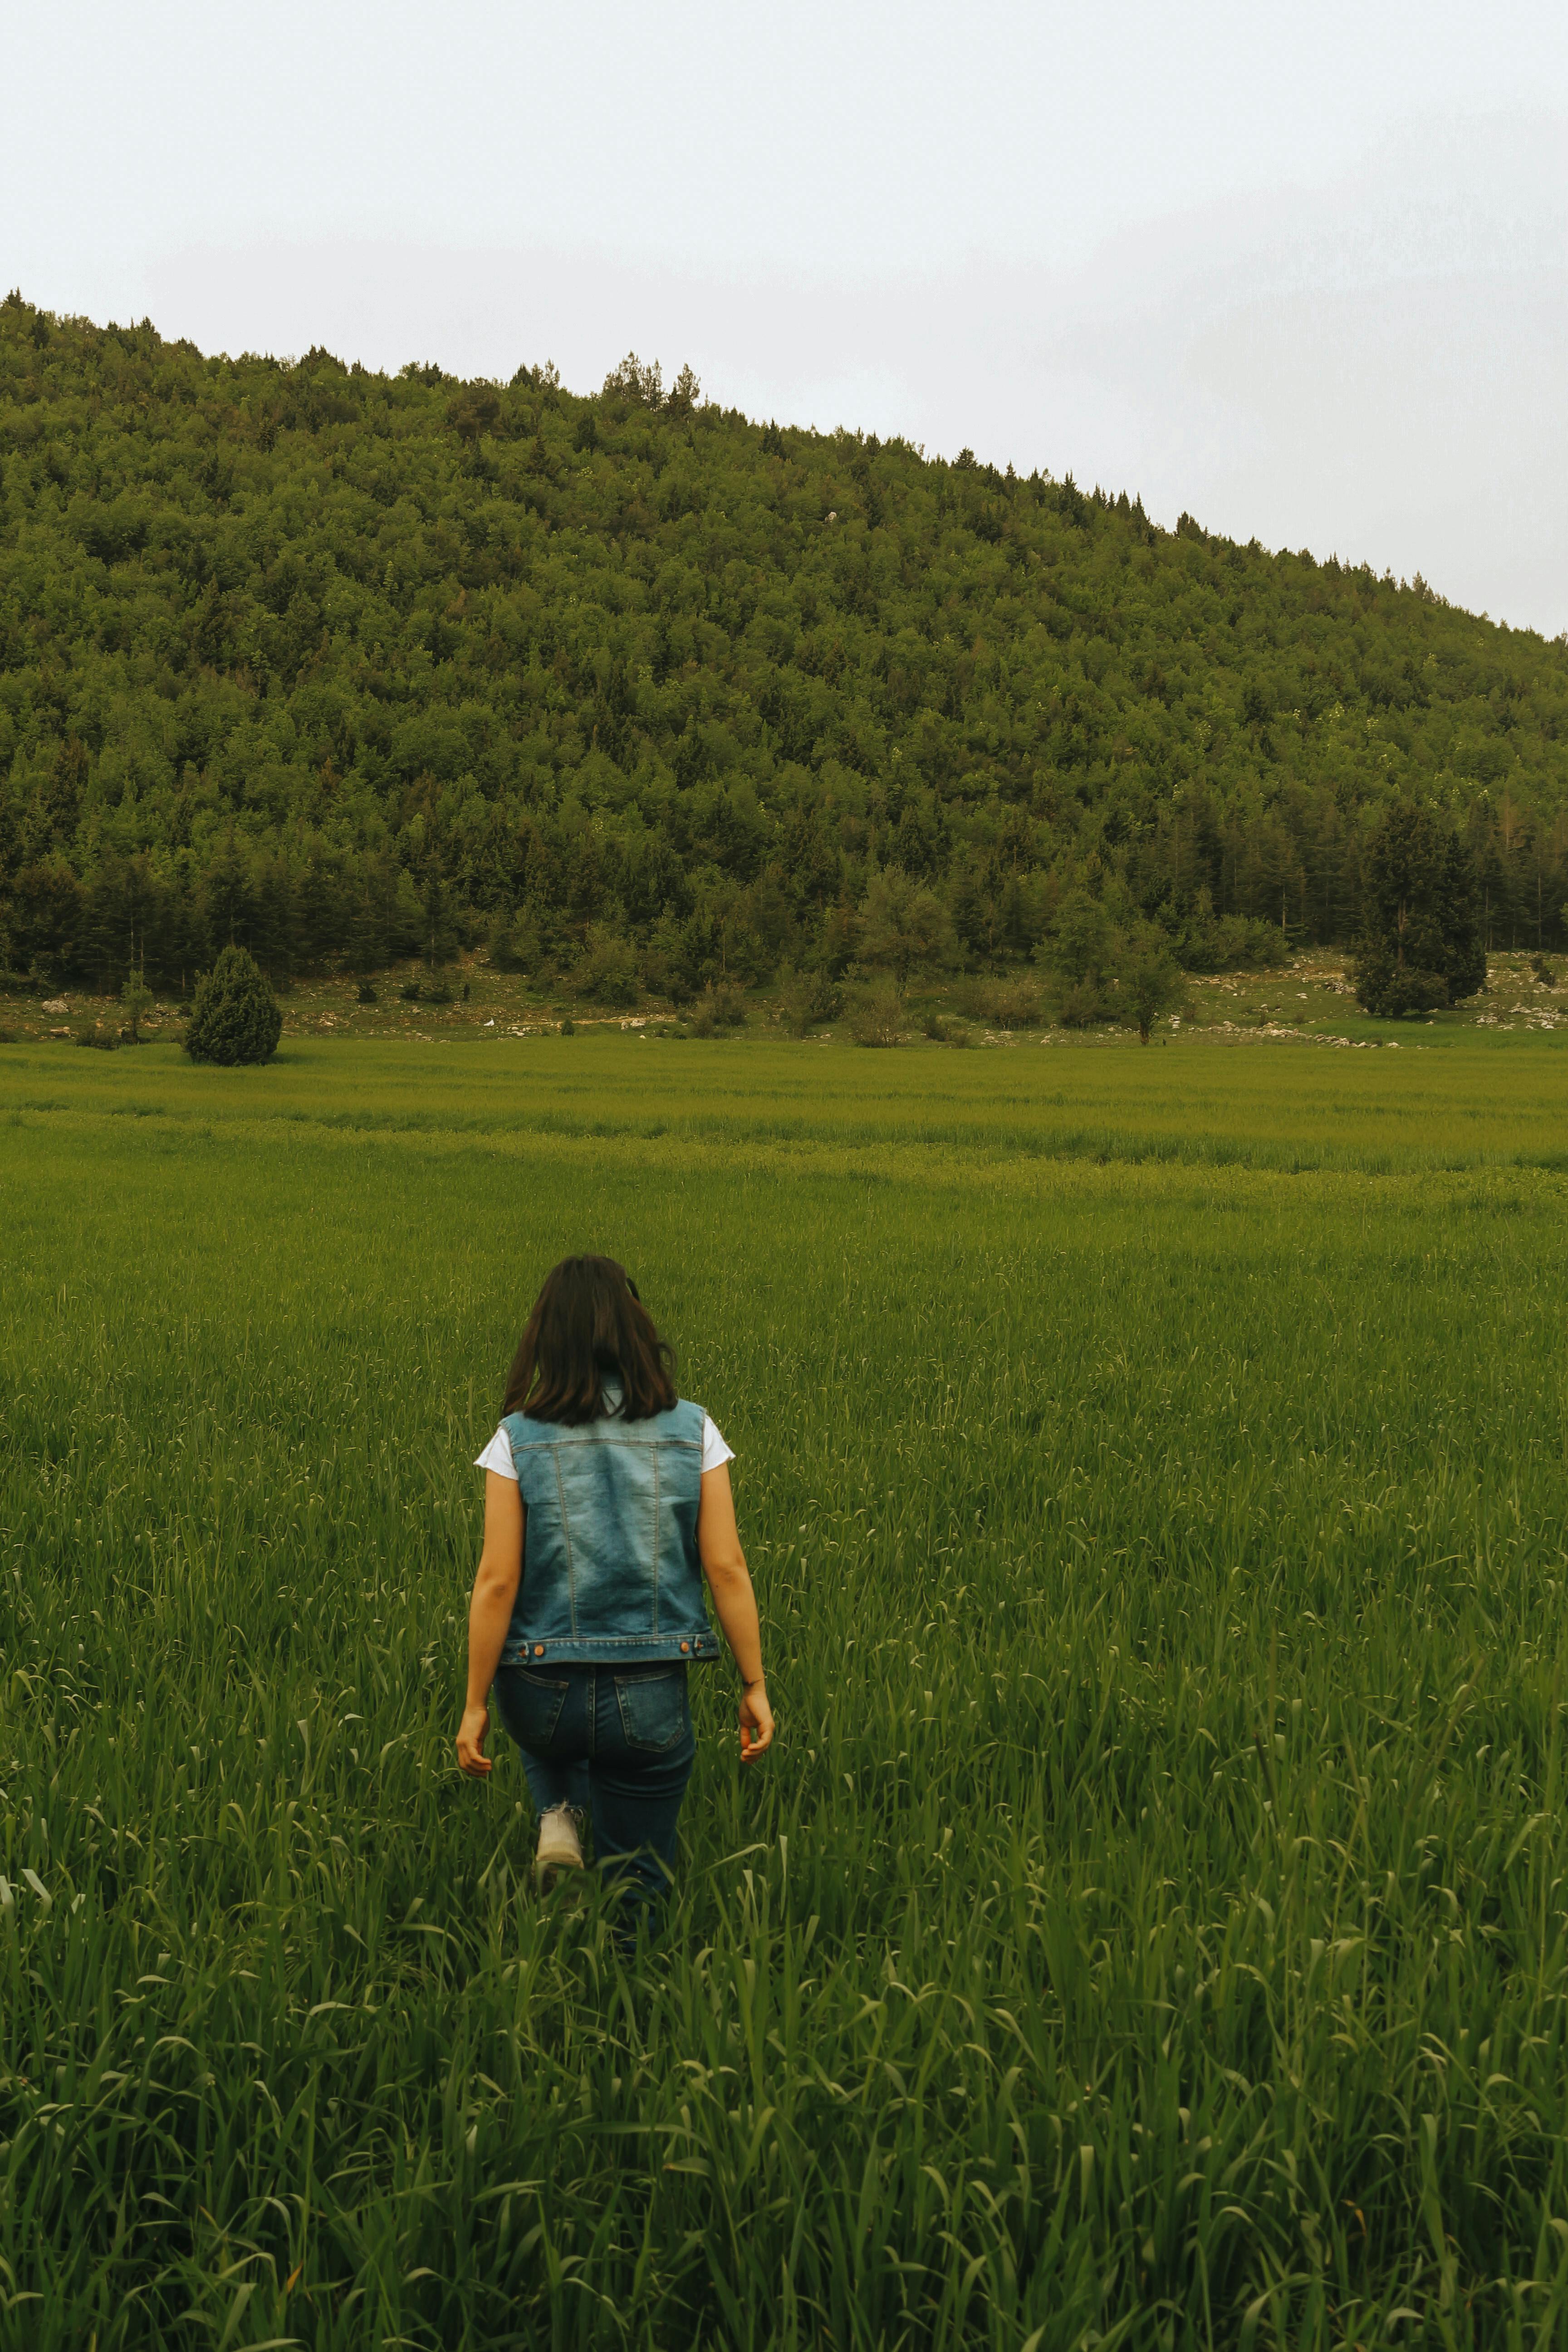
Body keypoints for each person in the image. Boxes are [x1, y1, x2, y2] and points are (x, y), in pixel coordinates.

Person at [455, 1255, 773, 1930]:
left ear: (548, 1338)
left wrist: (475, 1704)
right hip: (650, 1693)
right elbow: (727, 1568)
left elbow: (497, 1582)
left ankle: (561, 1812)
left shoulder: (517, 1438)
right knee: (642, 1881)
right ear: (635, 1331)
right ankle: (630, 1989)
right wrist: (754, 1683)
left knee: (553, 1734)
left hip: (539, 1692)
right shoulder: (694, 1430)